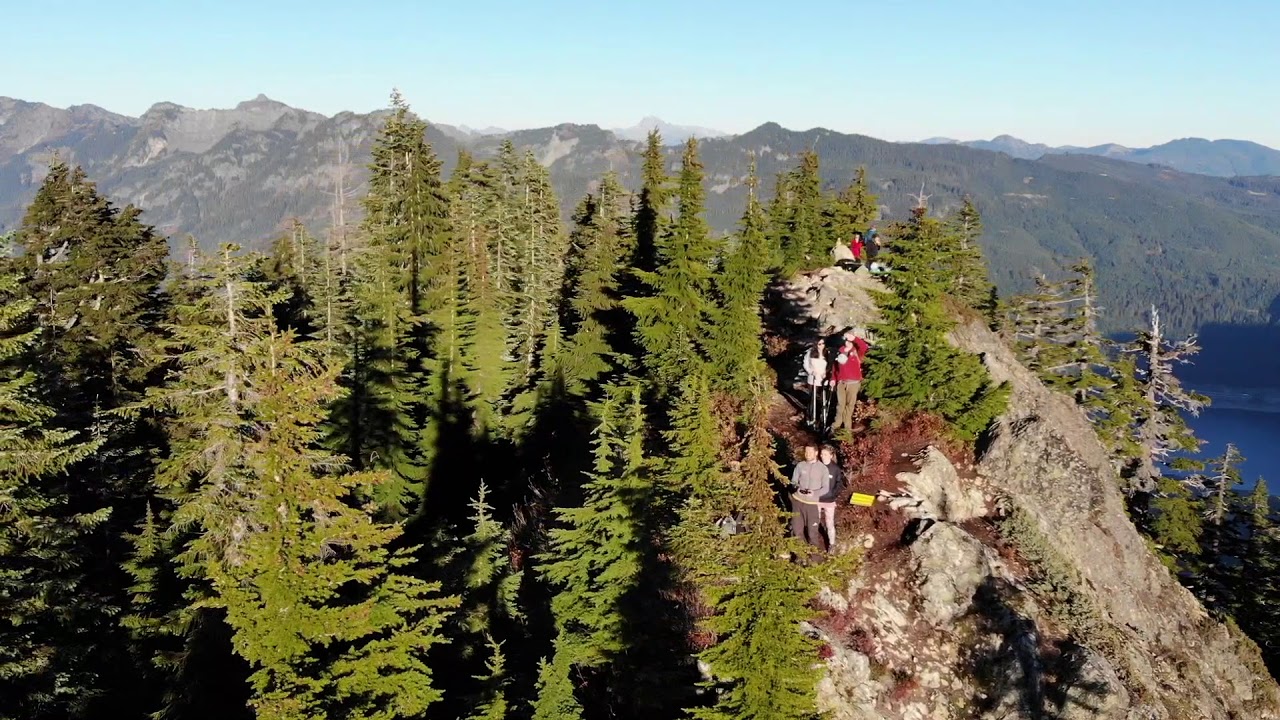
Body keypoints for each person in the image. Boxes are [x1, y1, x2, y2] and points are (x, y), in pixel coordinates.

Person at [790, 444, 830, 550]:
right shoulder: (800, 465)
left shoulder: (823, 469)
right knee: (797, 530)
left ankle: (814, 560)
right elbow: (793, 481)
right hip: (798, 502)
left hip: (812, 505)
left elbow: (826, 488)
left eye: (810, 452)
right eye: (806, 452)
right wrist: (797, 487)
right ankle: (801, 557)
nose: (807, 455)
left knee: (812, 533)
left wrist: (814, 493)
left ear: (816, 453)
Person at [829, 330, 870, 434]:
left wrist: (855, 338)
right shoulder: (840, 351)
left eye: (848, 339)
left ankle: (847, 428)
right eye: (845, 339)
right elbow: (835, 368)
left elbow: (864, 347)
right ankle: (835, 427)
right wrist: (833, 379)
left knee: (849, 406)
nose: (846, 341)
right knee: (840, 406)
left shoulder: (856, 352)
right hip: (841, 383)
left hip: (853, 383)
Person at [817, 445, 845, 551]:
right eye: (821, 454)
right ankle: (813, 543)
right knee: (814, 521)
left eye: (825, 454)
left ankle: (832, 545)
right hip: (817, 500)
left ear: (831, 455)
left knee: (829, 523)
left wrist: (833, 494)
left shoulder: (835, 469)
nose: (823, 456)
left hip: (829, 501)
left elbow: (839, 484)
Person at [802, 340, 828, 427]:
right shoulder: (810, 352)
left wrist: (826, 374)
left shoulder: (826, 353)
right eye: (819, 344)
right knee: (812, 399)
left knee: (822, 399)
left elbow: (829, 366)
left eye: (822, 344)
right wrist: (810, 371)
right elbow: (805, 364)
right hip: (812, 379)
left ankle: (820, 418)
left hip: (822, 380)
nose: (821, 346)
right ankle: (810, 417)